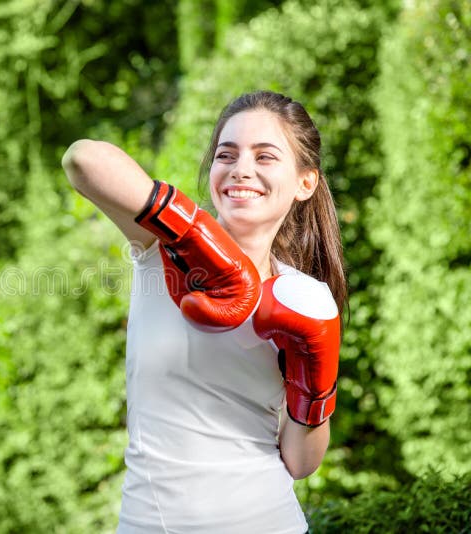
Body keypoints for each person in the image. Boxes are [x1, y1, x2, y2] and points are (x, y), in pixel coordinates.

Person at [62, 90, 346, 533]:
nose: (241, 169)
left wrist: (316, 385)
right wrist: (198, 238)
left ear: (304, 183)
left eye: (265, 156)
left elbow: (301, 462)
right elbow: (82, 159)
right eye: (225, 155)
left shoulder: (303, 299)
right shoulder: (165, 250)